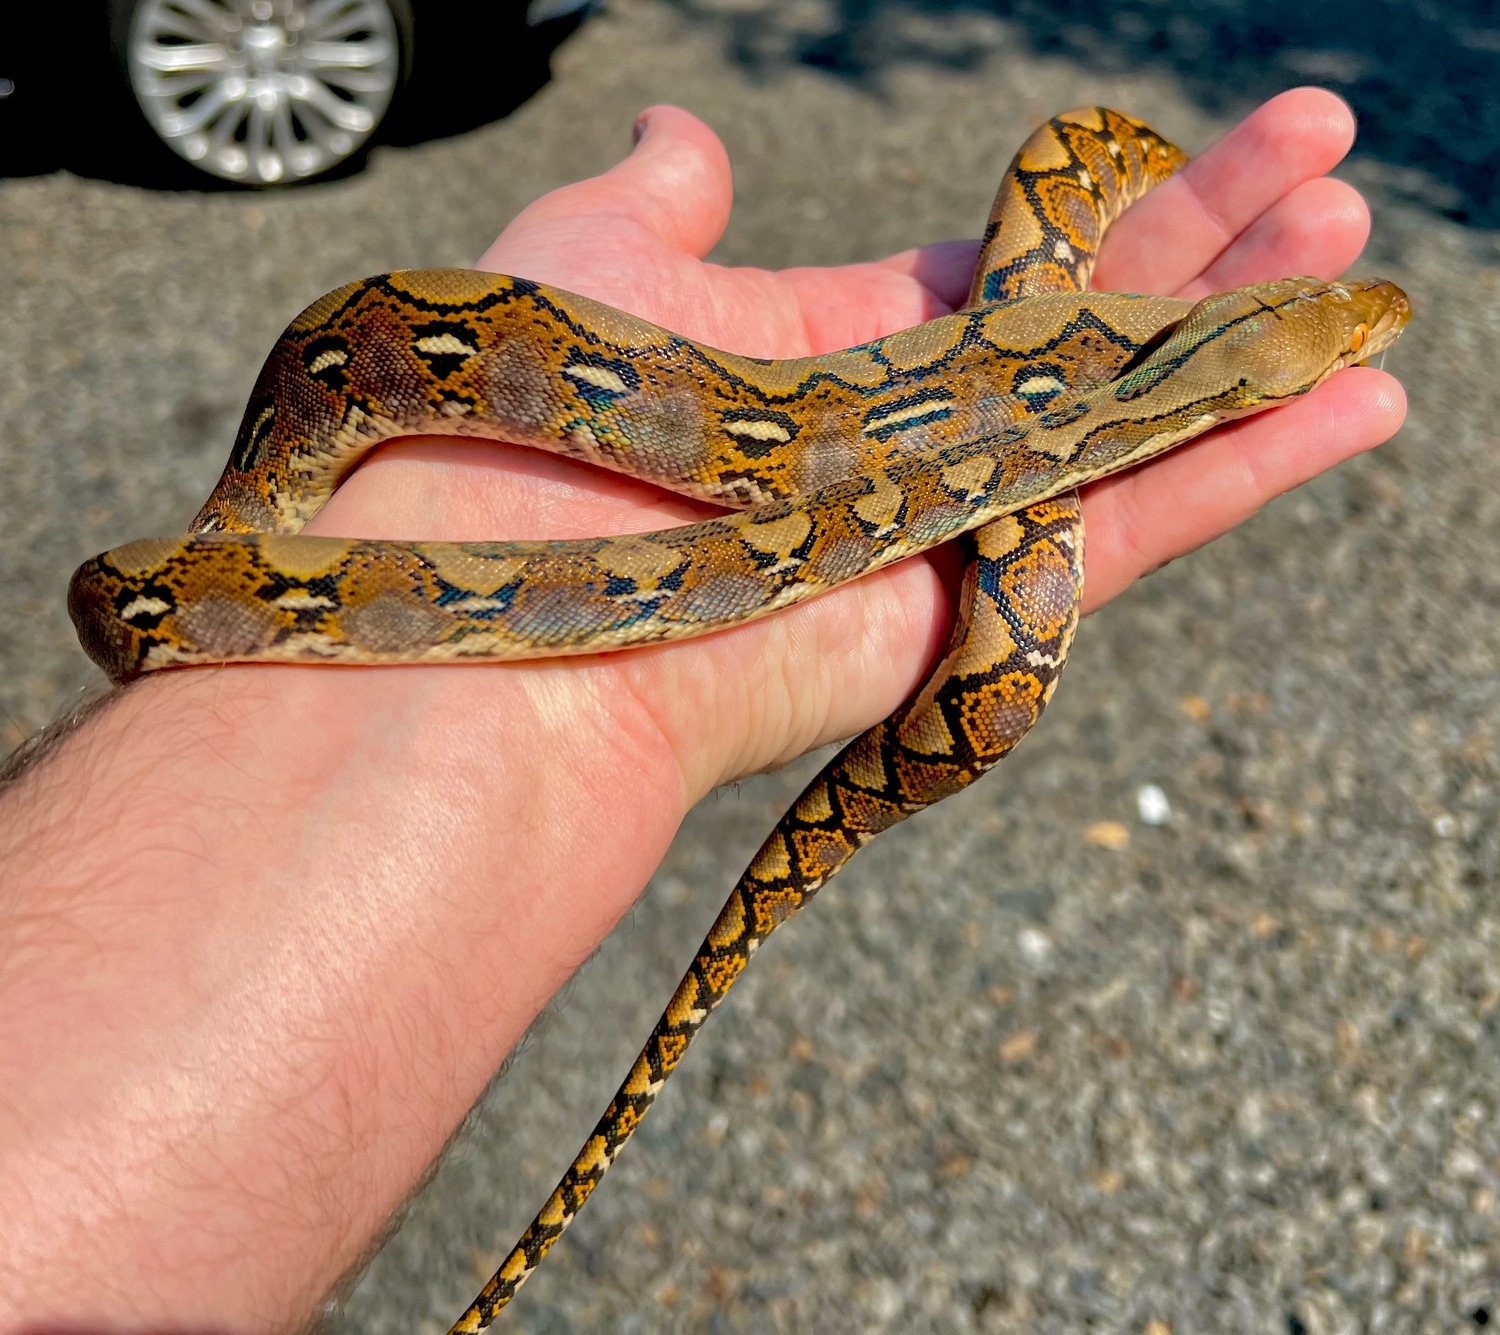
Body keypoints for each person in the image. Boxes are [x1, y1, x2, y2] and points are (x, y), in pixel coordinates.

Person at [0, 88, 1404, 1331]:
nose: (1373, 335)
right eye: (1331, 351)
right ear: (1228, 358)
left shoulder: (1085, 400)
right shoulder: (1083, 399)